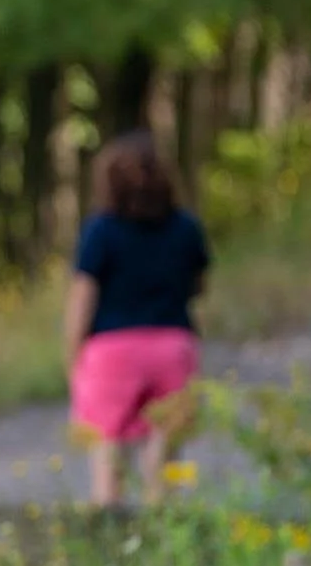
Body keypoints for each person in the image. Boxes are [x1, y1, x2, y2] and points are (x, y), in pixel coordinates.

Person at [62, 130, 211, 507]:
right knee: (164, 458)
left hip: (111, 349)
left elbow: (82, 298)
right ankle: (162, 531)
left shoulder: (101, 230)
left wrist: (73, 356)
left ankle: (110, 532)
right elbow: (198, 286)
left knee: (108, 453)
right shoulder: (185, 227)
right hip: (173, 344)